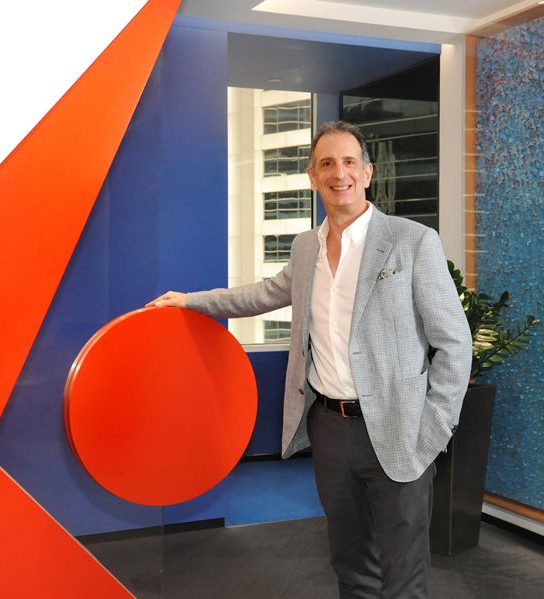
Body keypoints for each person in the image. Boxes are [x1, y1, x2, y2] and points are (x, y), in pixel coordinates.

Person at [147, 121, 472, 598]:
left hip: (400, 429)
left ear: (367, 172)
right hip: (331, 429)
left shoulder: (413, 241)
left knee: (404, 575)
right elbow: (261, 294)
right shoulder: (306, 248)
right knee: (350, 565)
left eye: (349, 162)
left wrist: (434, 429)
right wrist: (191, 301)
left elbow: (455, 342)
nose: (339, 173)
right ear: (313, 176)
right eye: (327, 164)